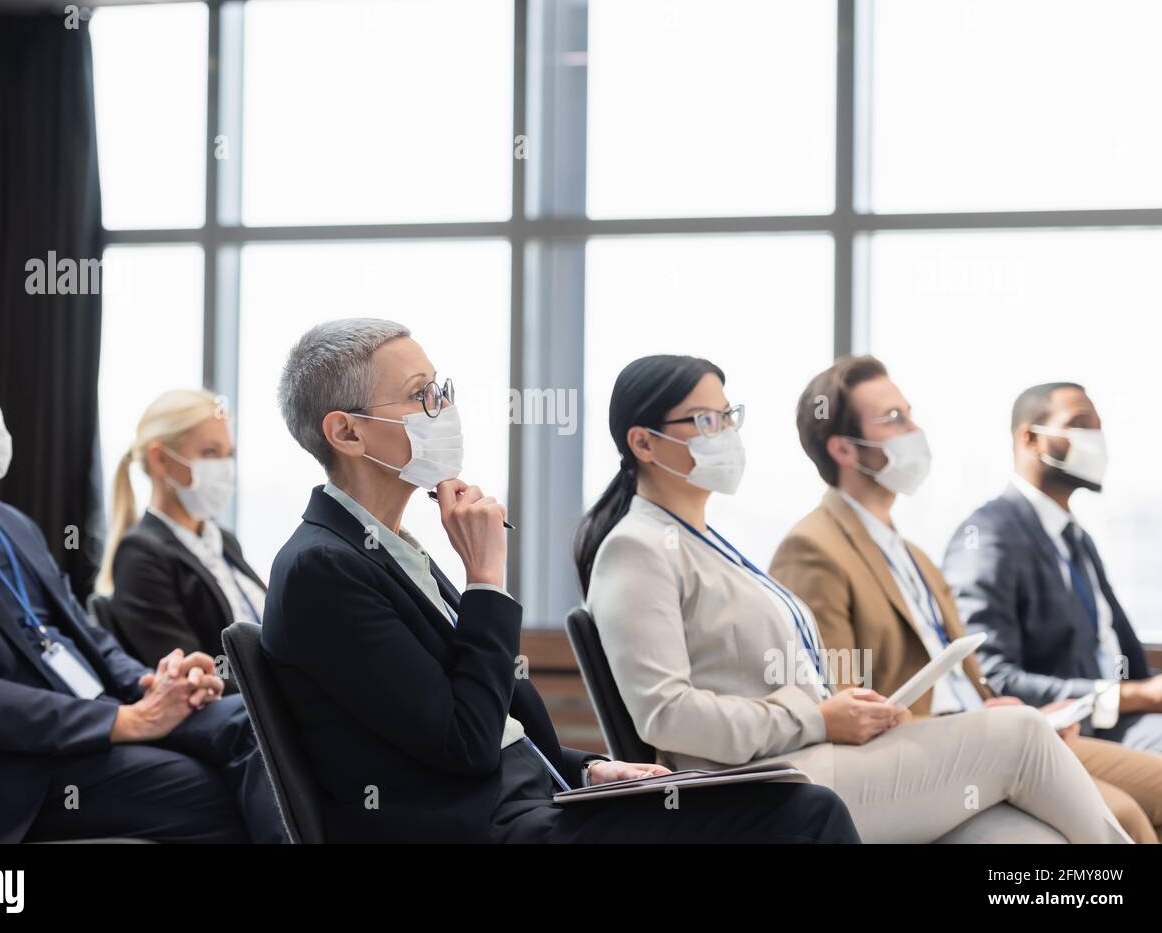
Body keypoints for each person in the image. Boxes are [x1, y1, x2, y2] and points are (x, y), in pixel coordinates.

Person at [260, 318, 860, 844]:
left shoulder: (391, 550)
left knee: (794, 803)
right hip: (487, 828)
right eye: (423, 396)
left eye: (443, 390)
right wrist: (486, 580)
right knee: (803, 814)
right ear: (346, 433)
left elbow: (491, 726)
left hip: (531, 805)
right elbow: (465, 741)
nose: (444, 409)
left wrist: (586, 770)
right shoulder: (324, 569)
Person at [576, 353, 1130, 844]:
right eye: (704, 420)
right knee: (1021, 732)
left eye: (728, 416)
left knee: (1025, 842)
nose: (724, 432)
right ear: (643, 442)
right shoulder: (637, 549)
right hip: (763, 784)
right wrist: (815, 718)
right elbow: (666, 716)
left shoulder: (713, 546)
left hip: (818, 762)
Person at [0, 330, 283, 843]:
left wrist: (151, 685)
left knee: (257, 725)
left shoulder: (8, 523)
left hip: (100, 720)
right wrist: (124, 722)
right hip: (12, 772)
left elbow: (91, 640)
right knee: (207, 789)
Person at [771, 356, 1162, 843]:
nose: (915, 430)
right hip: (930, 748)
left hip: (990, 729)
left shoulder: (911, 553)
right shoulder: (814, 547)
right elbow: (834, 698)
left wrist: (1010, 711)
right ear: (844, 449)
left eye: (910, 414)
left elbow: (970, 676)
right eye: (894, 419)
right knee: (1124, 814)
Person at [944, 381, 1162, 756]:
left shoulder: (1076, 538)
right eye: (1081, 424)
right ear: (1031, 438)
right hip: (1067, 731)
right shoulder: (988, 535)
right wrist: (1128, 696)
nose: (1095, 439)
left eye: (1098, 427)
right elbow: (992, 677)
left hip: (1123, 722)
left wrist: (1143, 690)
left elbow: (1125, 657)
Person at [97, 389, 265, 688]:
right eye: (210, 453)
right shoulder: (141, 554)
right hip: (240, 718)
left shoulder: (222, 540)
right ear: (161, 460)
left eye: (228, 454)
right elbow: (193, 676)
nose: (225, 467)